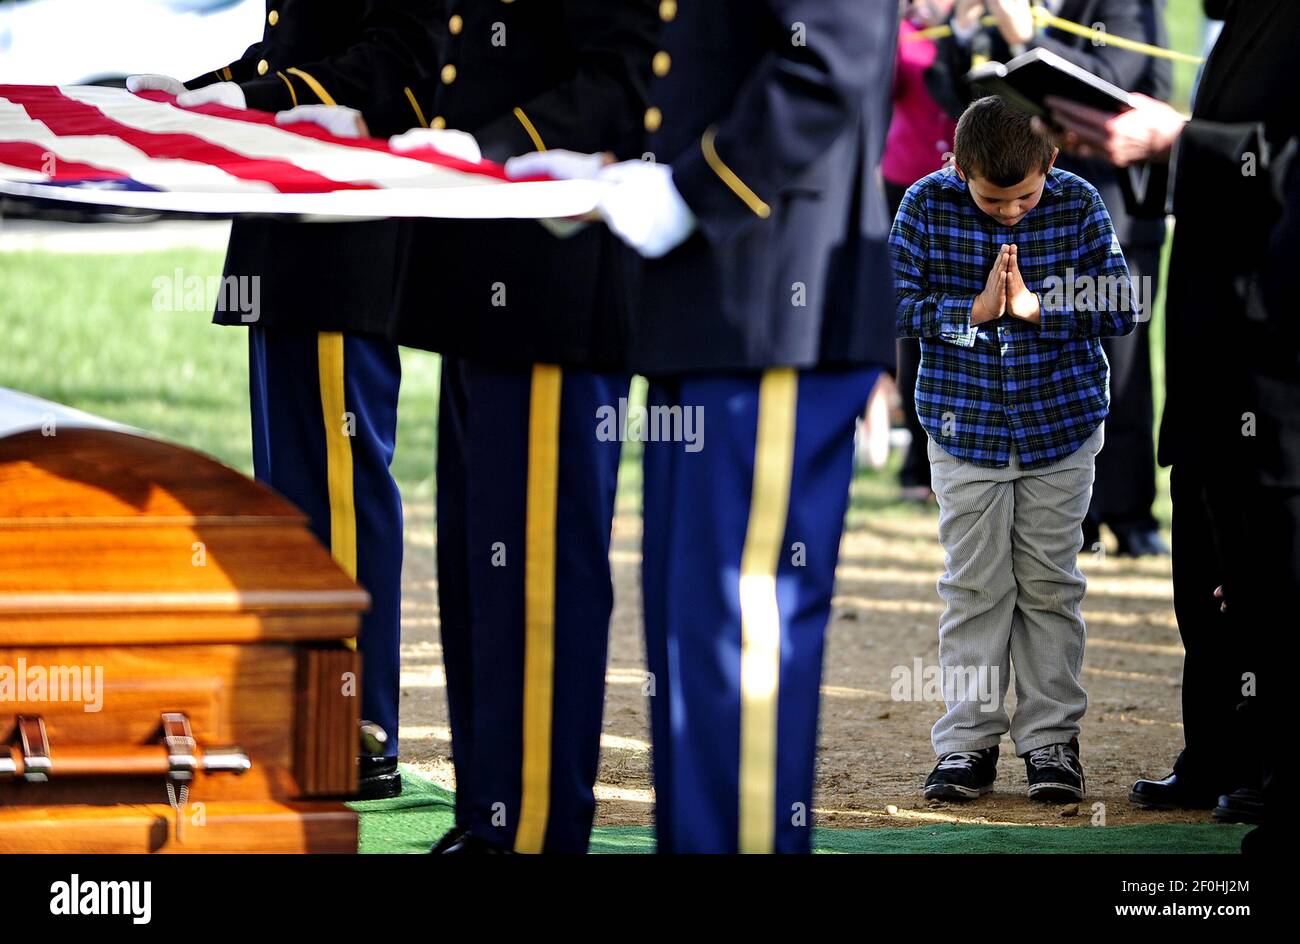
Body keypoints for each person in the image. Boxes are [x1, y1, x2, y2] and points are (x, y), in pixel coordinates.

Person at [513, 0, 899, 854]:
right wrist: (624, 178)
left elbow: (831, 58)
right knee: (692, 650)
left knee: (738, 644)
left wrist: (692, 190)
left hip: (771, 305)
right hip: (709, 308)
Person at [290, 0, 659, 853]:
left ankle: (531, 830)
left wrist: (489, 148)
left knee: (534, 583)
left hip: (552, 280)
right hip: (481, 278)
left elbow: (627, 74)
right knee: (477, 576)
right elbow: (455, 64)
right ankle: (489, 813)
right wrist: (362, 120)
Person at [126, 1, 441, 800]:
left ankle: (355, 726)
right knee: (290, 495)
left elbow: (398, 61)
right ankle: (303, 708)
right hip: (286, 230)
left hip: (343, 225)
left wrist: (248, 101)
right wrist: (201, 93)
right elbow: (288, 52)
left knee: (340, 491)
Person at [1046, 0, 1300, 850]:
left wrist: (1177, 141)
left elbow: (1287, 162)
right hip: (1214, 357)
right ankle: (1222, 755)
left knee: (1275, 585)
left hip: (1273, 358)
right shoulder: (1244, 22)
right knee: (1213, 574)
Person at [891, 97, 1136, 802]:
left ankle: (1051, 742)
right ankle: (967, 744)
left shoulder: (1080, 202)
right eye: (993, 198)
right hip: (964, 429)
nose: (1011, 212)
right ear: (956, 167)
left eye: (1025, 196)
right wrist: (969, 313)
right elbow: (895, 303)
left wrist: (1039, 308)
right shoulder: (924, 206)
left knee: (1051, 585)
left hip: (1060, 427)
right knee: (974, 587)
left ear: (1050, 163)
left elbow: (1123, 302)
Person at [934, 0, 1172, 556]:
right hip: (1025, 213)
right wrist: (966, 32)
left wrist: (1029, 37)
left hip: (1112, 210)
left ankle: (1131, 516)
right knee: (1036, 358)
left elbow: (1118, 84)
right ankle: (1070, 520)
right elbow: (964, 108)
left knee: (1122, 364)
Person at [884, 1, 960, 503]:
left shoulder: (977, 26)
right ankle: (916, 459)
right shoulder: (898, 27)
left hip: (961, 187)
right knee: (913, 325)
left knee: (958, 324)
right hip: (904, 183)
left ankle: (956, 451)